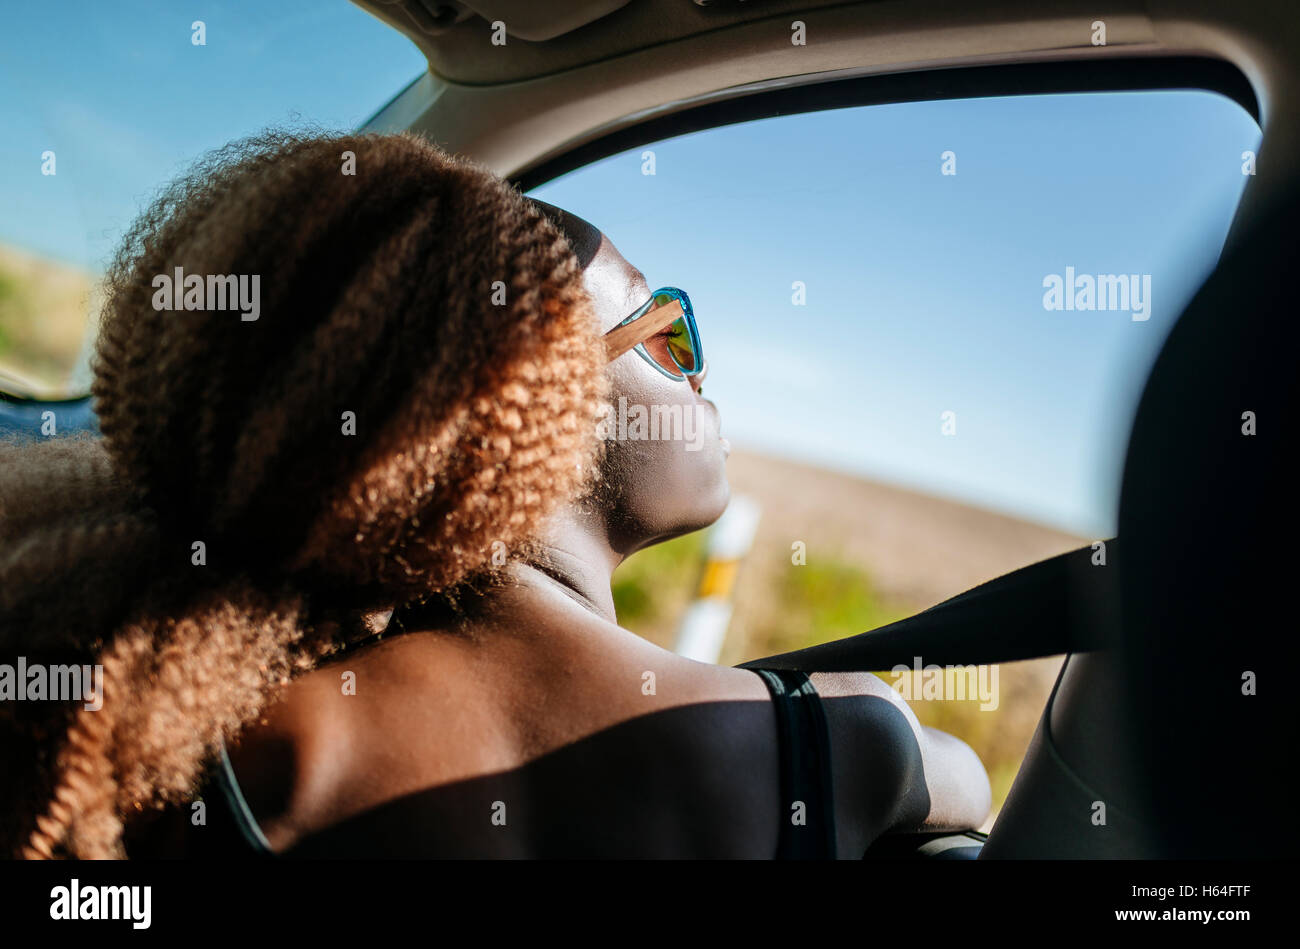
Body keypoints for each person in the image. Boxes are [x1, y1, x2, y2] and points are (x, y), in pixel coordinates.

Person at [0, 131, 989, 860]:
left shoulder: (181, 725)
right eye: (663, 328)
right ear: (529, 400)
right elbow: (970, 782)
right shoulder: (828, 740)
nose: (695, 370)